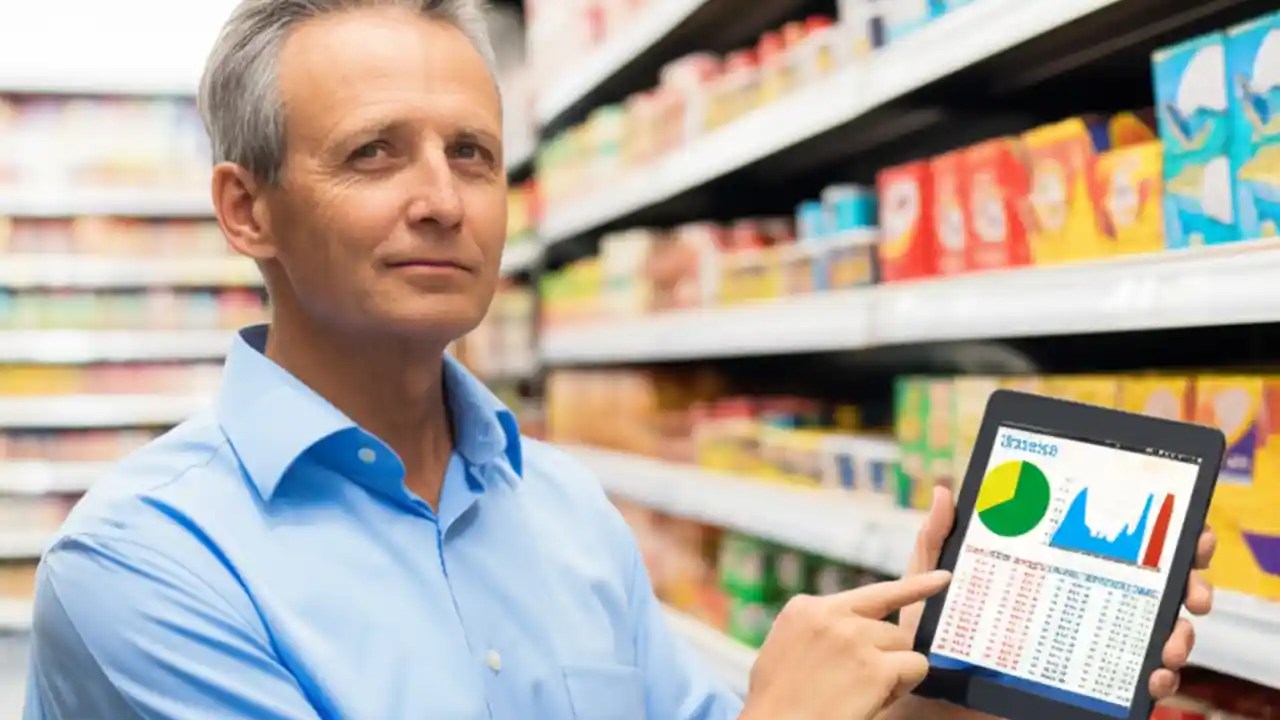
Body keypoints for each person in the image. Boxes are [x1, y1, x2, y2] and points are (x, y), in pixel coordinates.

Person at [23, 1, 1215, 718]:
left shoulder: (567, 512)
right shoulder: (140, 571)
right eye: (376, 154)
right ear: (247, 210)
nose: (442, 200)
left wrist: (933, 686)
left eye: (474, 155)